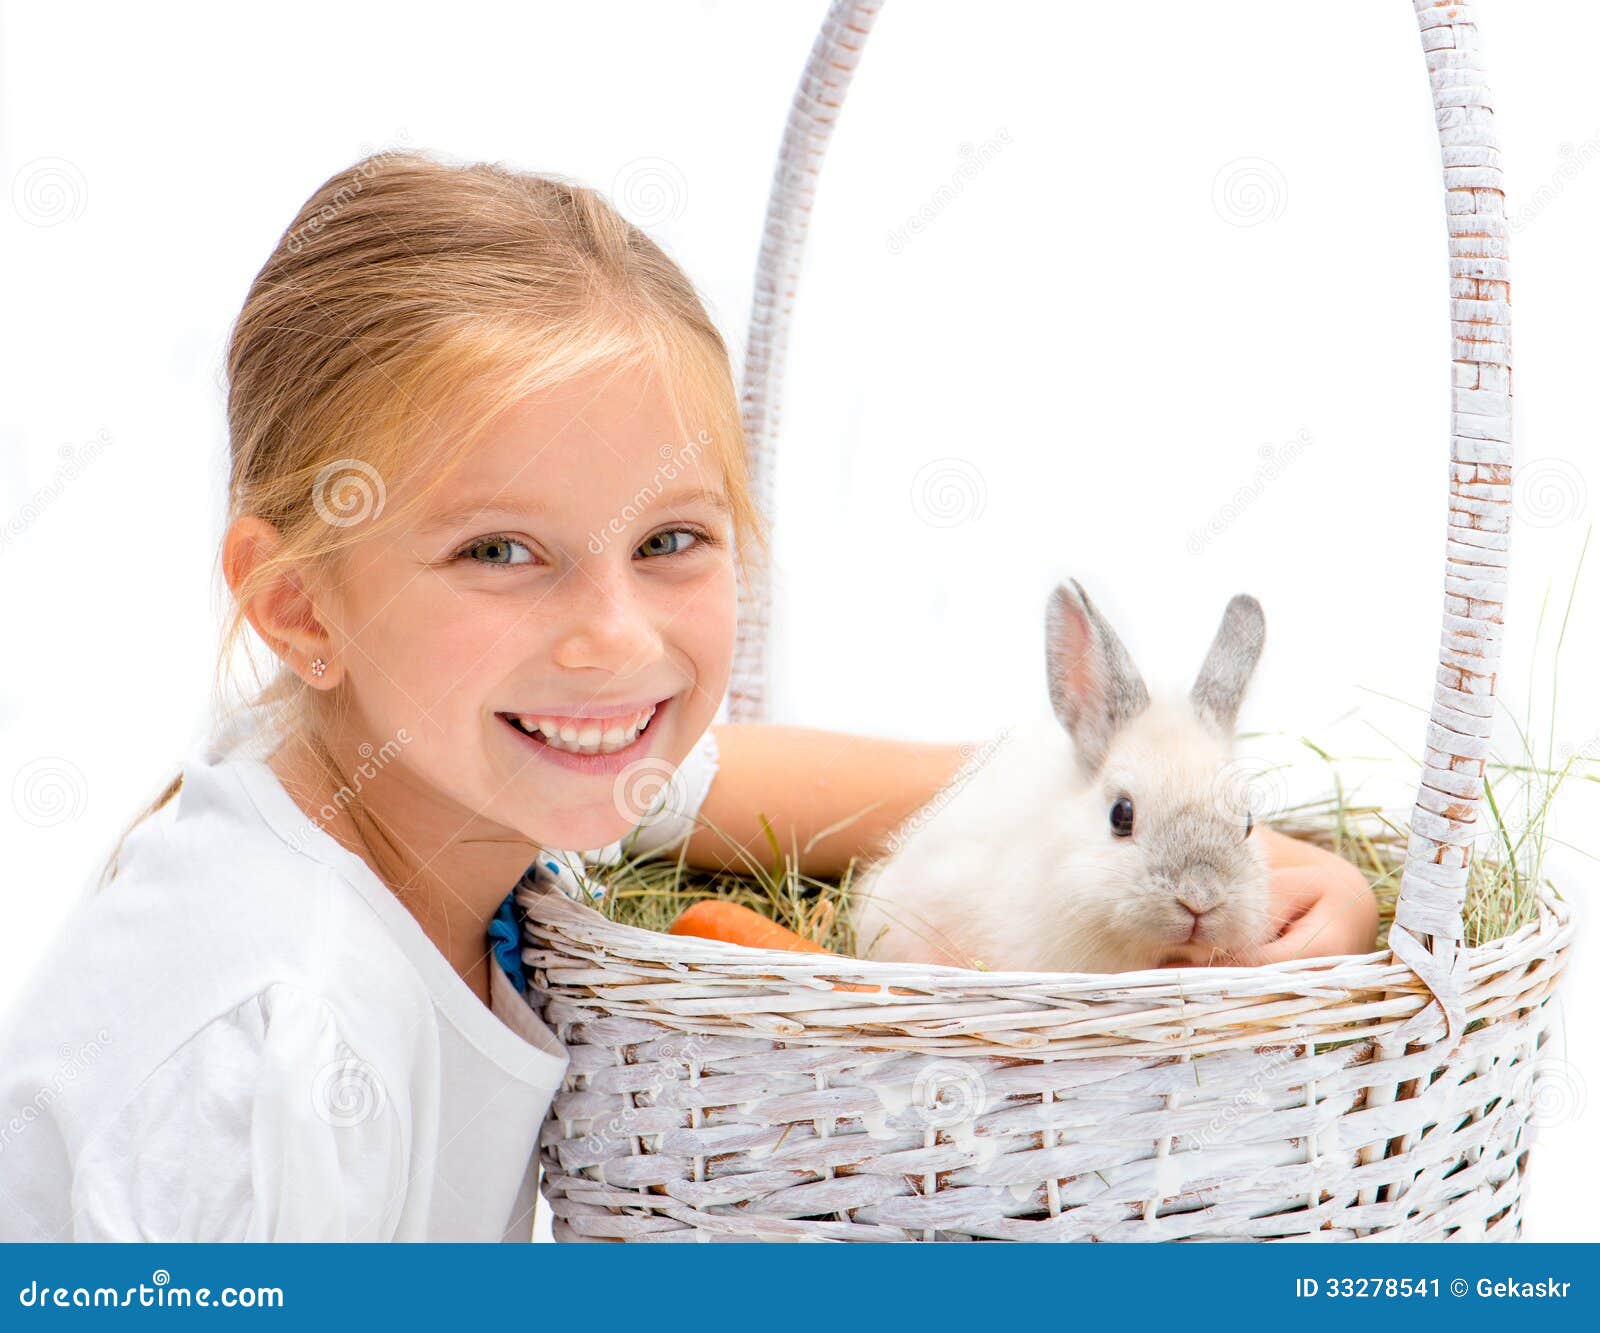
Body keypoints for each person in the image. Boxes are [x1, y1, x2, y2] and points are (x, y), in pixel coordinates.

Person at [0, 150, 1377, 1242]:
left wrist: (1215, 837)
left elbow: (868, 785)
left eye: (669, 541)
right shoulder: (281, 1047)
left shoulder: (454, 764)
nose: (613, 641)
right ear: (301, 605)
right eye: (500, 550)